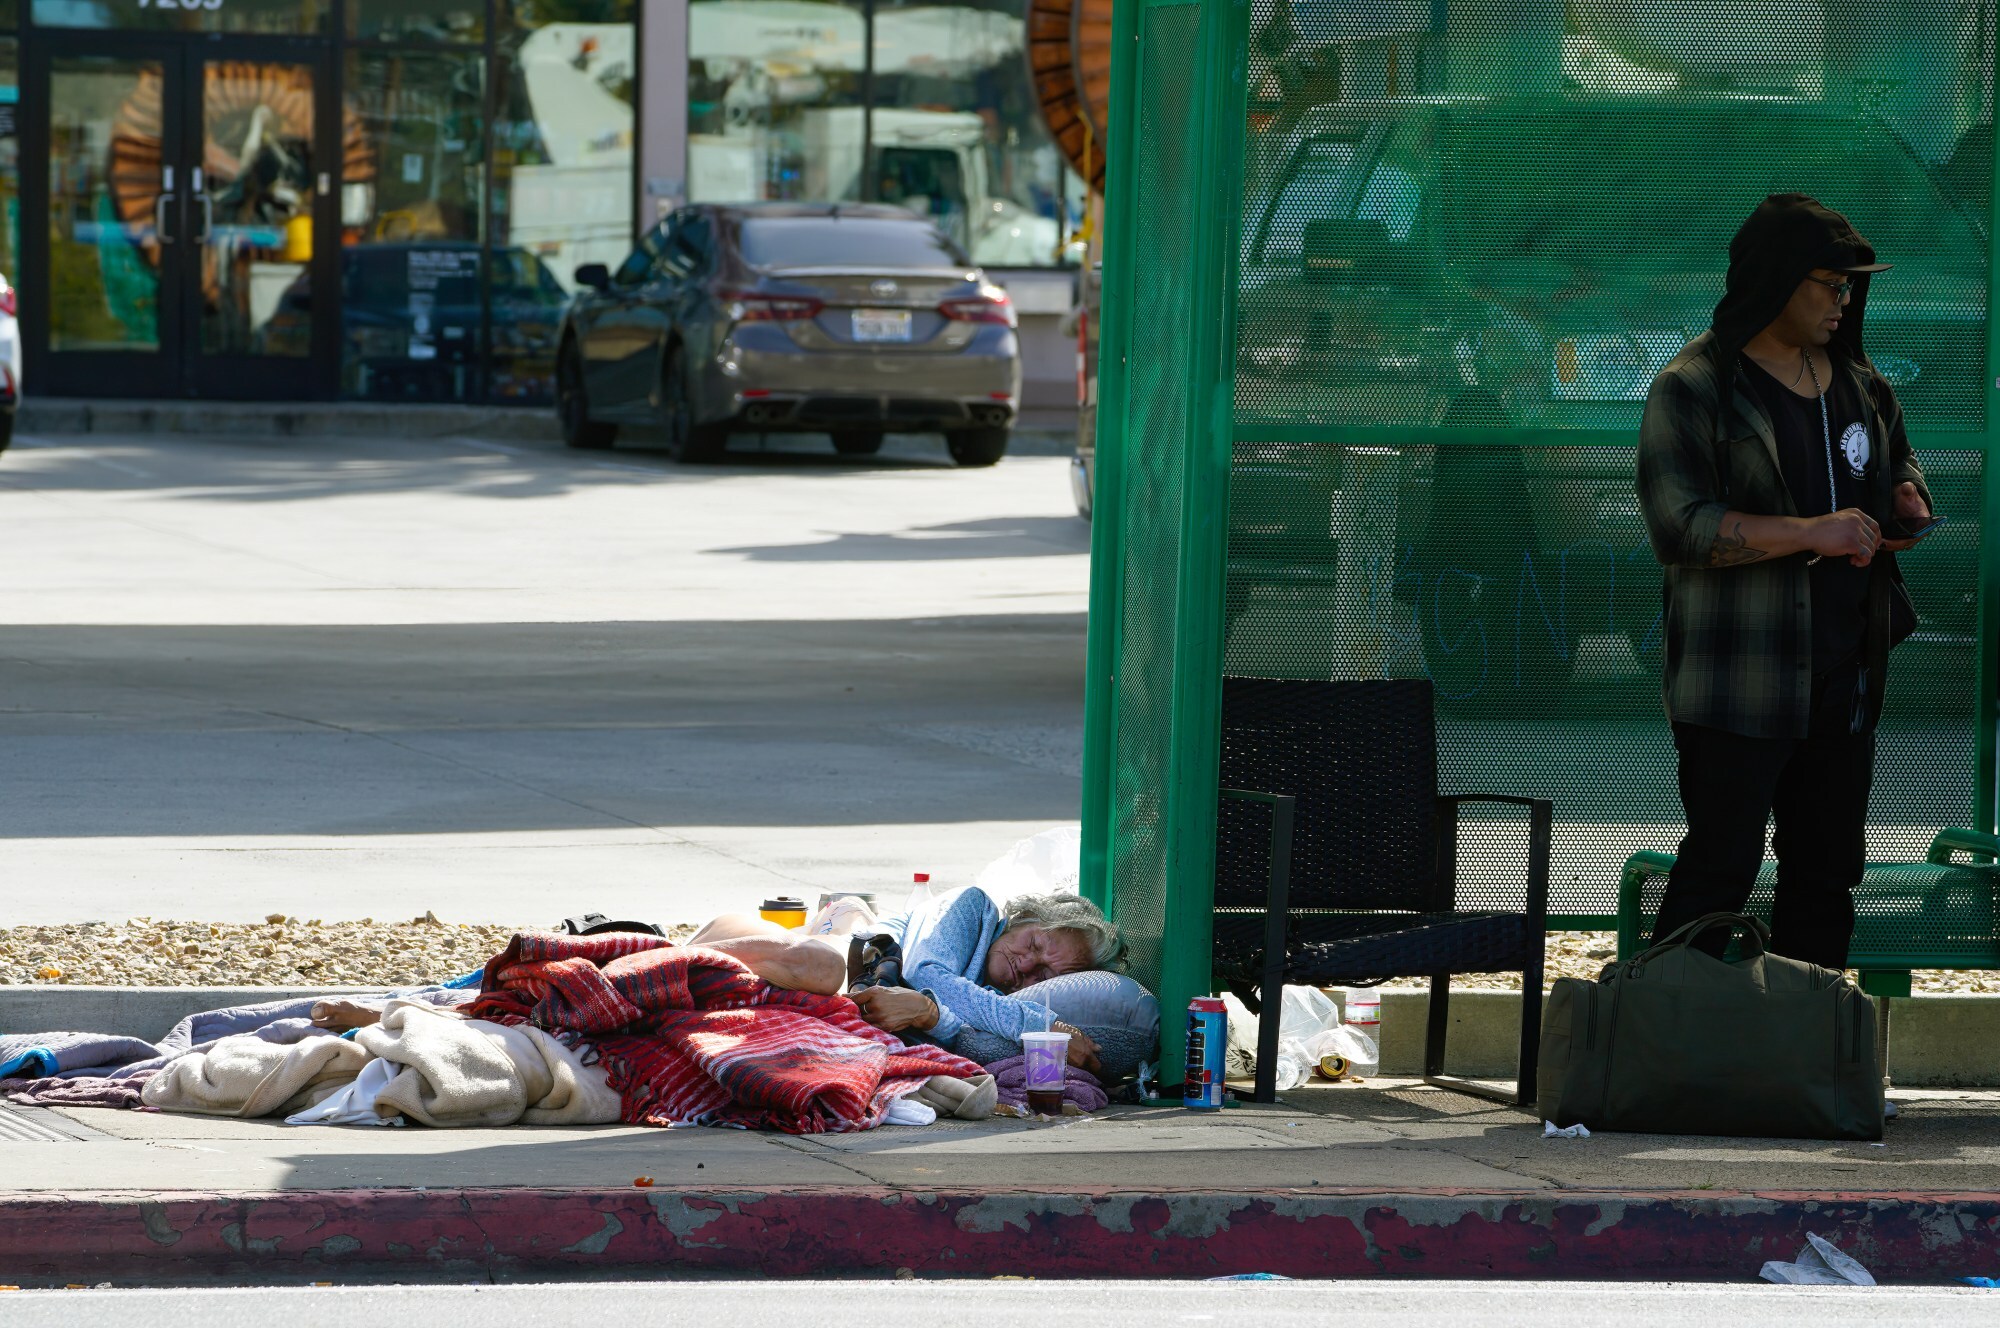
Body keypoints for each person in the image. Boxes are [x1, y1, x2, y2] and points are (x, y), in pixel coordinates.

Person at [1636, 193, 1933, 967]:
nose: (1843, 300)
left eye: (1850, 287)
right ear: (1773, 281)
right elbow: (1680, 527)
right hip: (1741, 678)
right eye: (1827, 284)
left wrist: (1905, 496)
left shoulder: (1858, 381)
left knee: (1826, 879)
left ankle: (1803, 1067)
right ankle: (1668, 1061)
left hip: (1846, 673)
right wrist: (1812, 533)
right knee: (1719, 871)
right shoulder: (1695, 385)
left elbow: (1895, 457)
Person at [682, 889, 1134, 1071]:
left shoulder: (993, 1001)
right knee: (819, 962)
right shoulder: (975, 908)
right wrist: (1041, 1026)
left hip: (835, 966)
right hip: (837, 954)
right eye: (1034, 944)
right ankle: (644, 962)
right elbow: (926, 972)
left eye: (1046, 974)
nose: (1028, 966)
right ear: (1022, 919)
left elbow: (962, 1037)